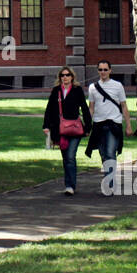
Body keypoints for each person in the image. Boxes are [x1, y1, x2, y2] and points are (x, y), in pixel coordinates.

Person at [41, 66, 93, 195]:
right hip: (60, 129)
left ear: (72, 77)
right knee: (65, 158)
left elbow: (85, 109)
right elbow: (49, 109)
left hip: (75, 128)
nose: (65, 77)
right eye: (62, 75)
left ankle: (71, 186)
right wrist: (46, 126)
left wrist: (88, 126)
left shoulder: (77, 90)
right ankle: (68, 184)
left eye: (67, 75)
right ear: (60, 78)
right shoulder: (56, 91)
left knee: (70, 156)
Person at [86, 60, 132, 191]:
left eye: (105, 69)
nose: (103, 72)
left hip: (113, 124)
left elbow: (124, 106)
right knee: (103, 154)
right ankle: (109, 178)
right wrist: (87, 126)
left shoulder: (118, 86)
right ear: (98, 71)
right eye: (100, 70)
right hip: (98, 124)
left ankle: (109, 183)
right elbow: (91, 108)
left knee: (111, 152)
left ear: (110, 71)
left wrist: (128, 125)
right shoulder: (93, 87)